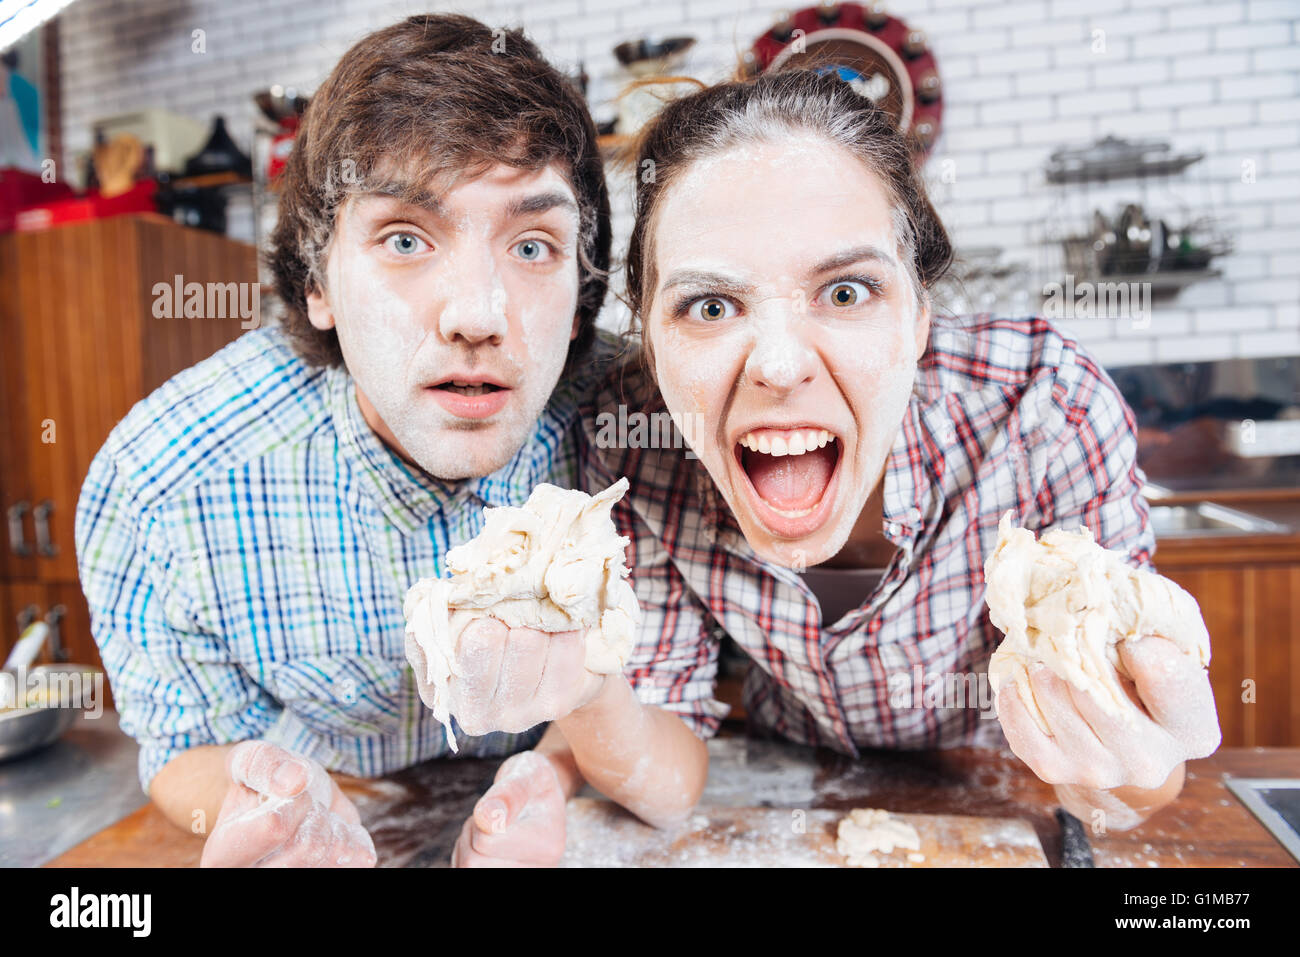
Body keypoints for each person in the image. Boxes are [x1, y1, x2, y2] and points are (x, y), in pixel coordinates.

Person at [75, 13, 666, 868]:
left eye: (533, 244)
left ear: (580, 296)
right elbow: (181, 749)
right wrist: (281, 807)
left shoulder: (640, 420)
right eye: (404, 239)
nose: (476, 315)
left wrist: (552, 775)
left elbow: (669, 696)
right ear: (318, 283)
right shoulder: (163, 486)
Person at [575, 68, 1221, 834]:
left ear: (919, 316)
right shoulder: (631, 443)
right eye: (710, 306)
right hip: (791, 800)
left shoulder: (1045, 408)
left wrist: (1135, 761)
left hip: (1007, 798)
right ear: (648, 340)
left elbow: (1134, 774)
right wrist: (578, 686)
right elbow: (663, 757)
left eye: (846, 292)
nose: (779, 367)